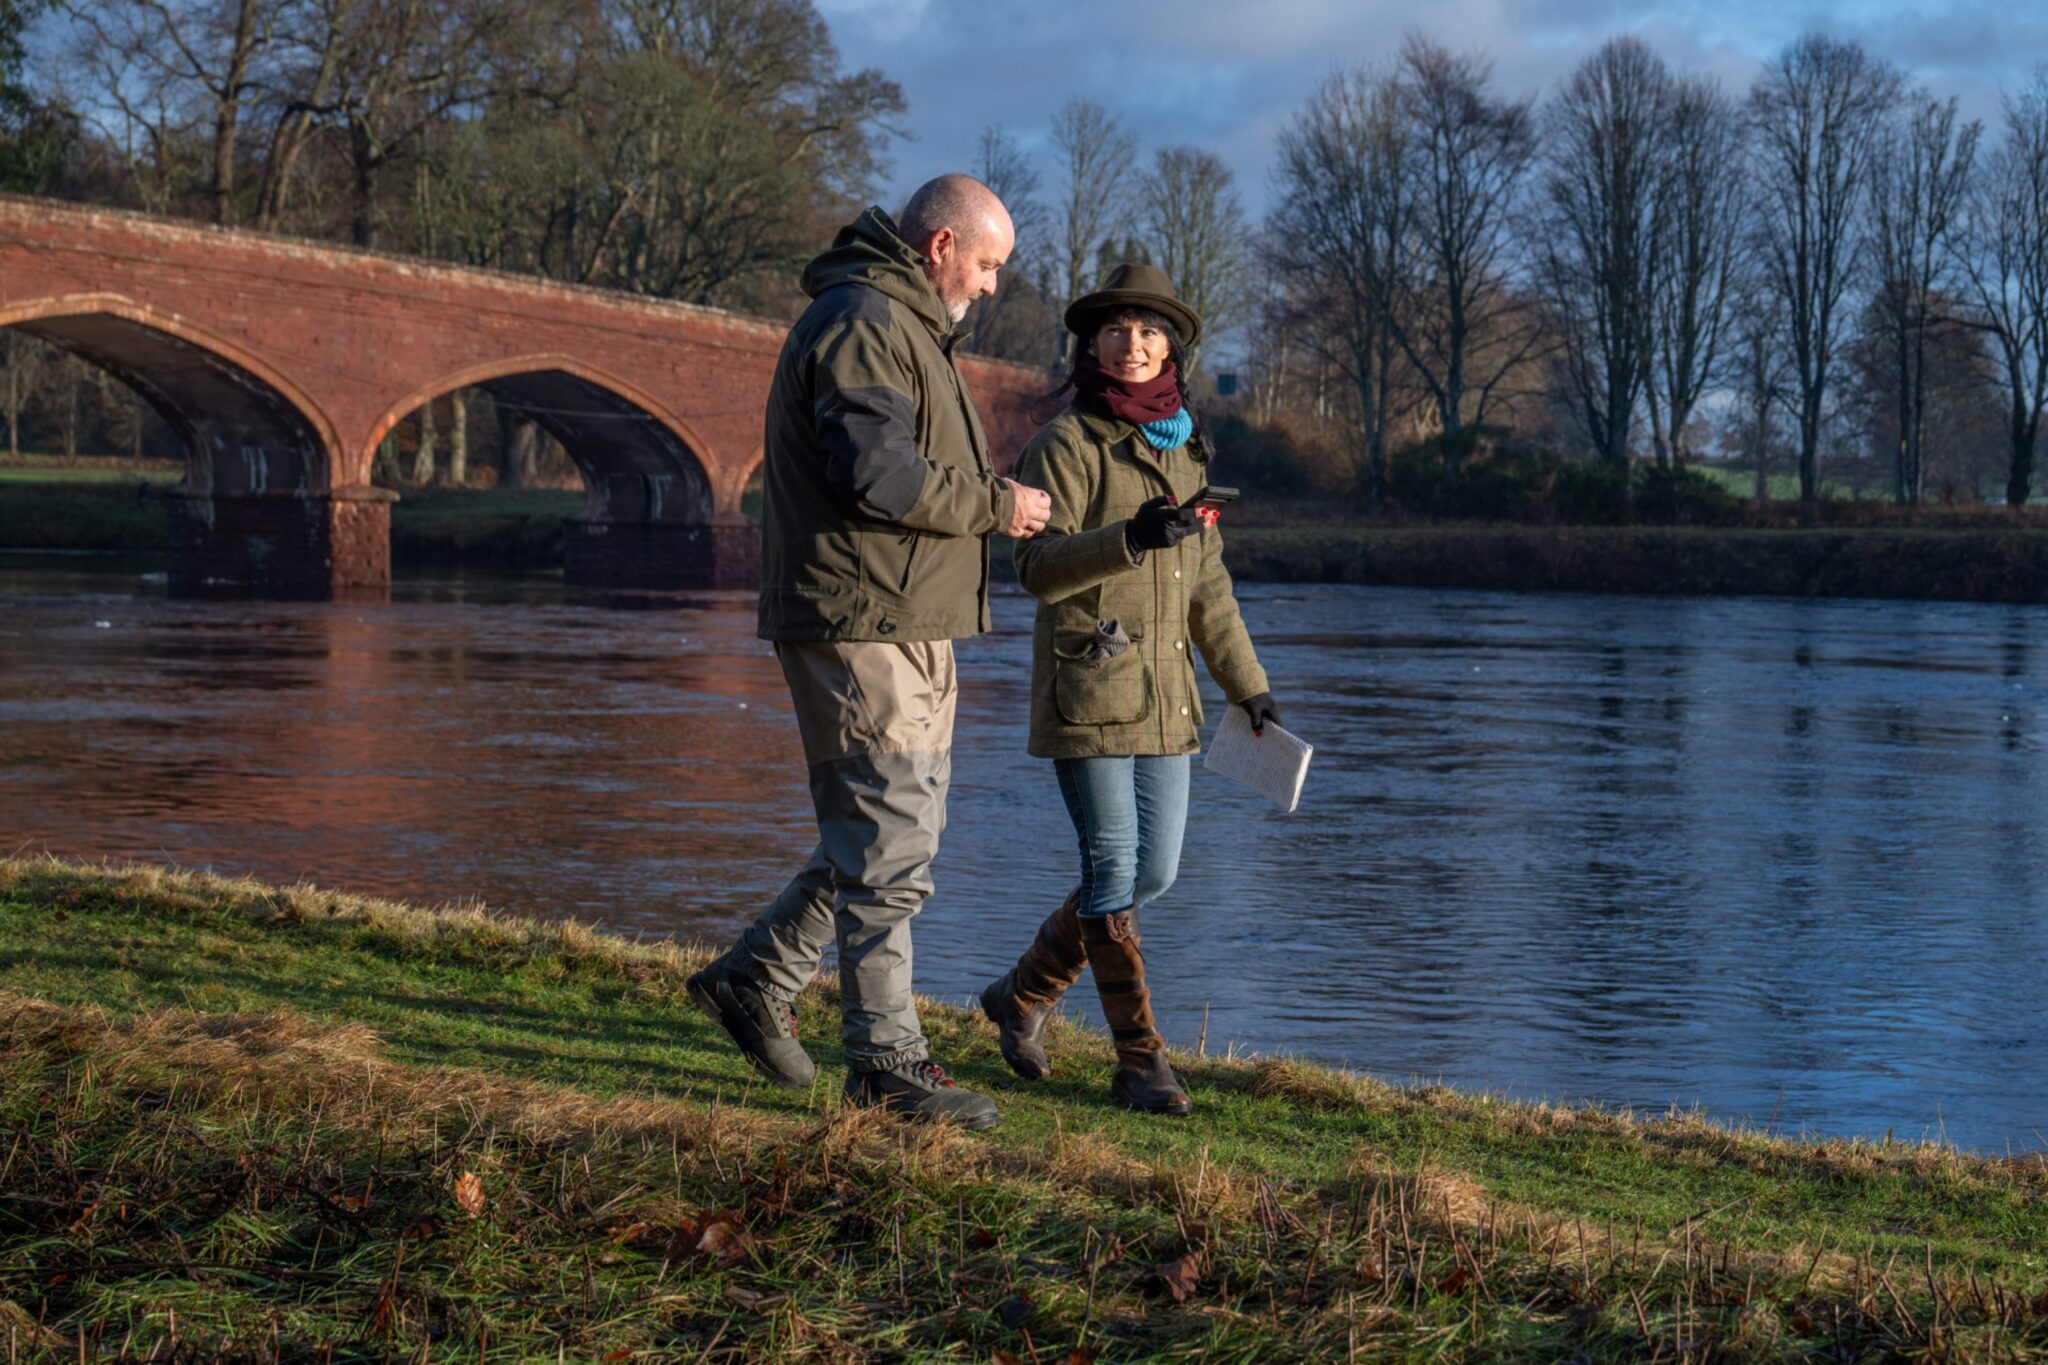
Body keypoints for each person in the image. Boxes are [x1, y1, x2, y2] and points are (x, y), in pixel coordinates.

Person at [687, 175, 1052, 1131]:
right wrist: (997, 504)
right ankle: (886, 1065)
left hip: (907, 615)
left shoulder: (906, 325)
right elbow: (877, 475)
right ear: (941, 246)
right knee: (888, 839)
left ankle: (756, 977)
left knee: (896, 833)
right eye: (988, 264)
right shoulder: (863, 320)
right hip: (860, 615)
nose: (992, 285)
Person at [978, 263, 1280, 1116]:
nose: (1132, 343)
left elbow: (1208, 585)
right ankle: (1140, 1059)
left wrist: (1249, 686)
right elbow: (1035, 566)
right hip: (1089, 690)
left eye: (1149, 330)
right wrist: (1129, 538)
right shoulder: (1065, 445)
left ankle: (1022, 993)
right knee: (1113, 865)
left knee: (1157, 871)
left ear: (1170, 347)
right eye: (1116, 329)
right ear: (1093, 342)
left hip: (1169, 699)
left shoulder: (1187, 449)